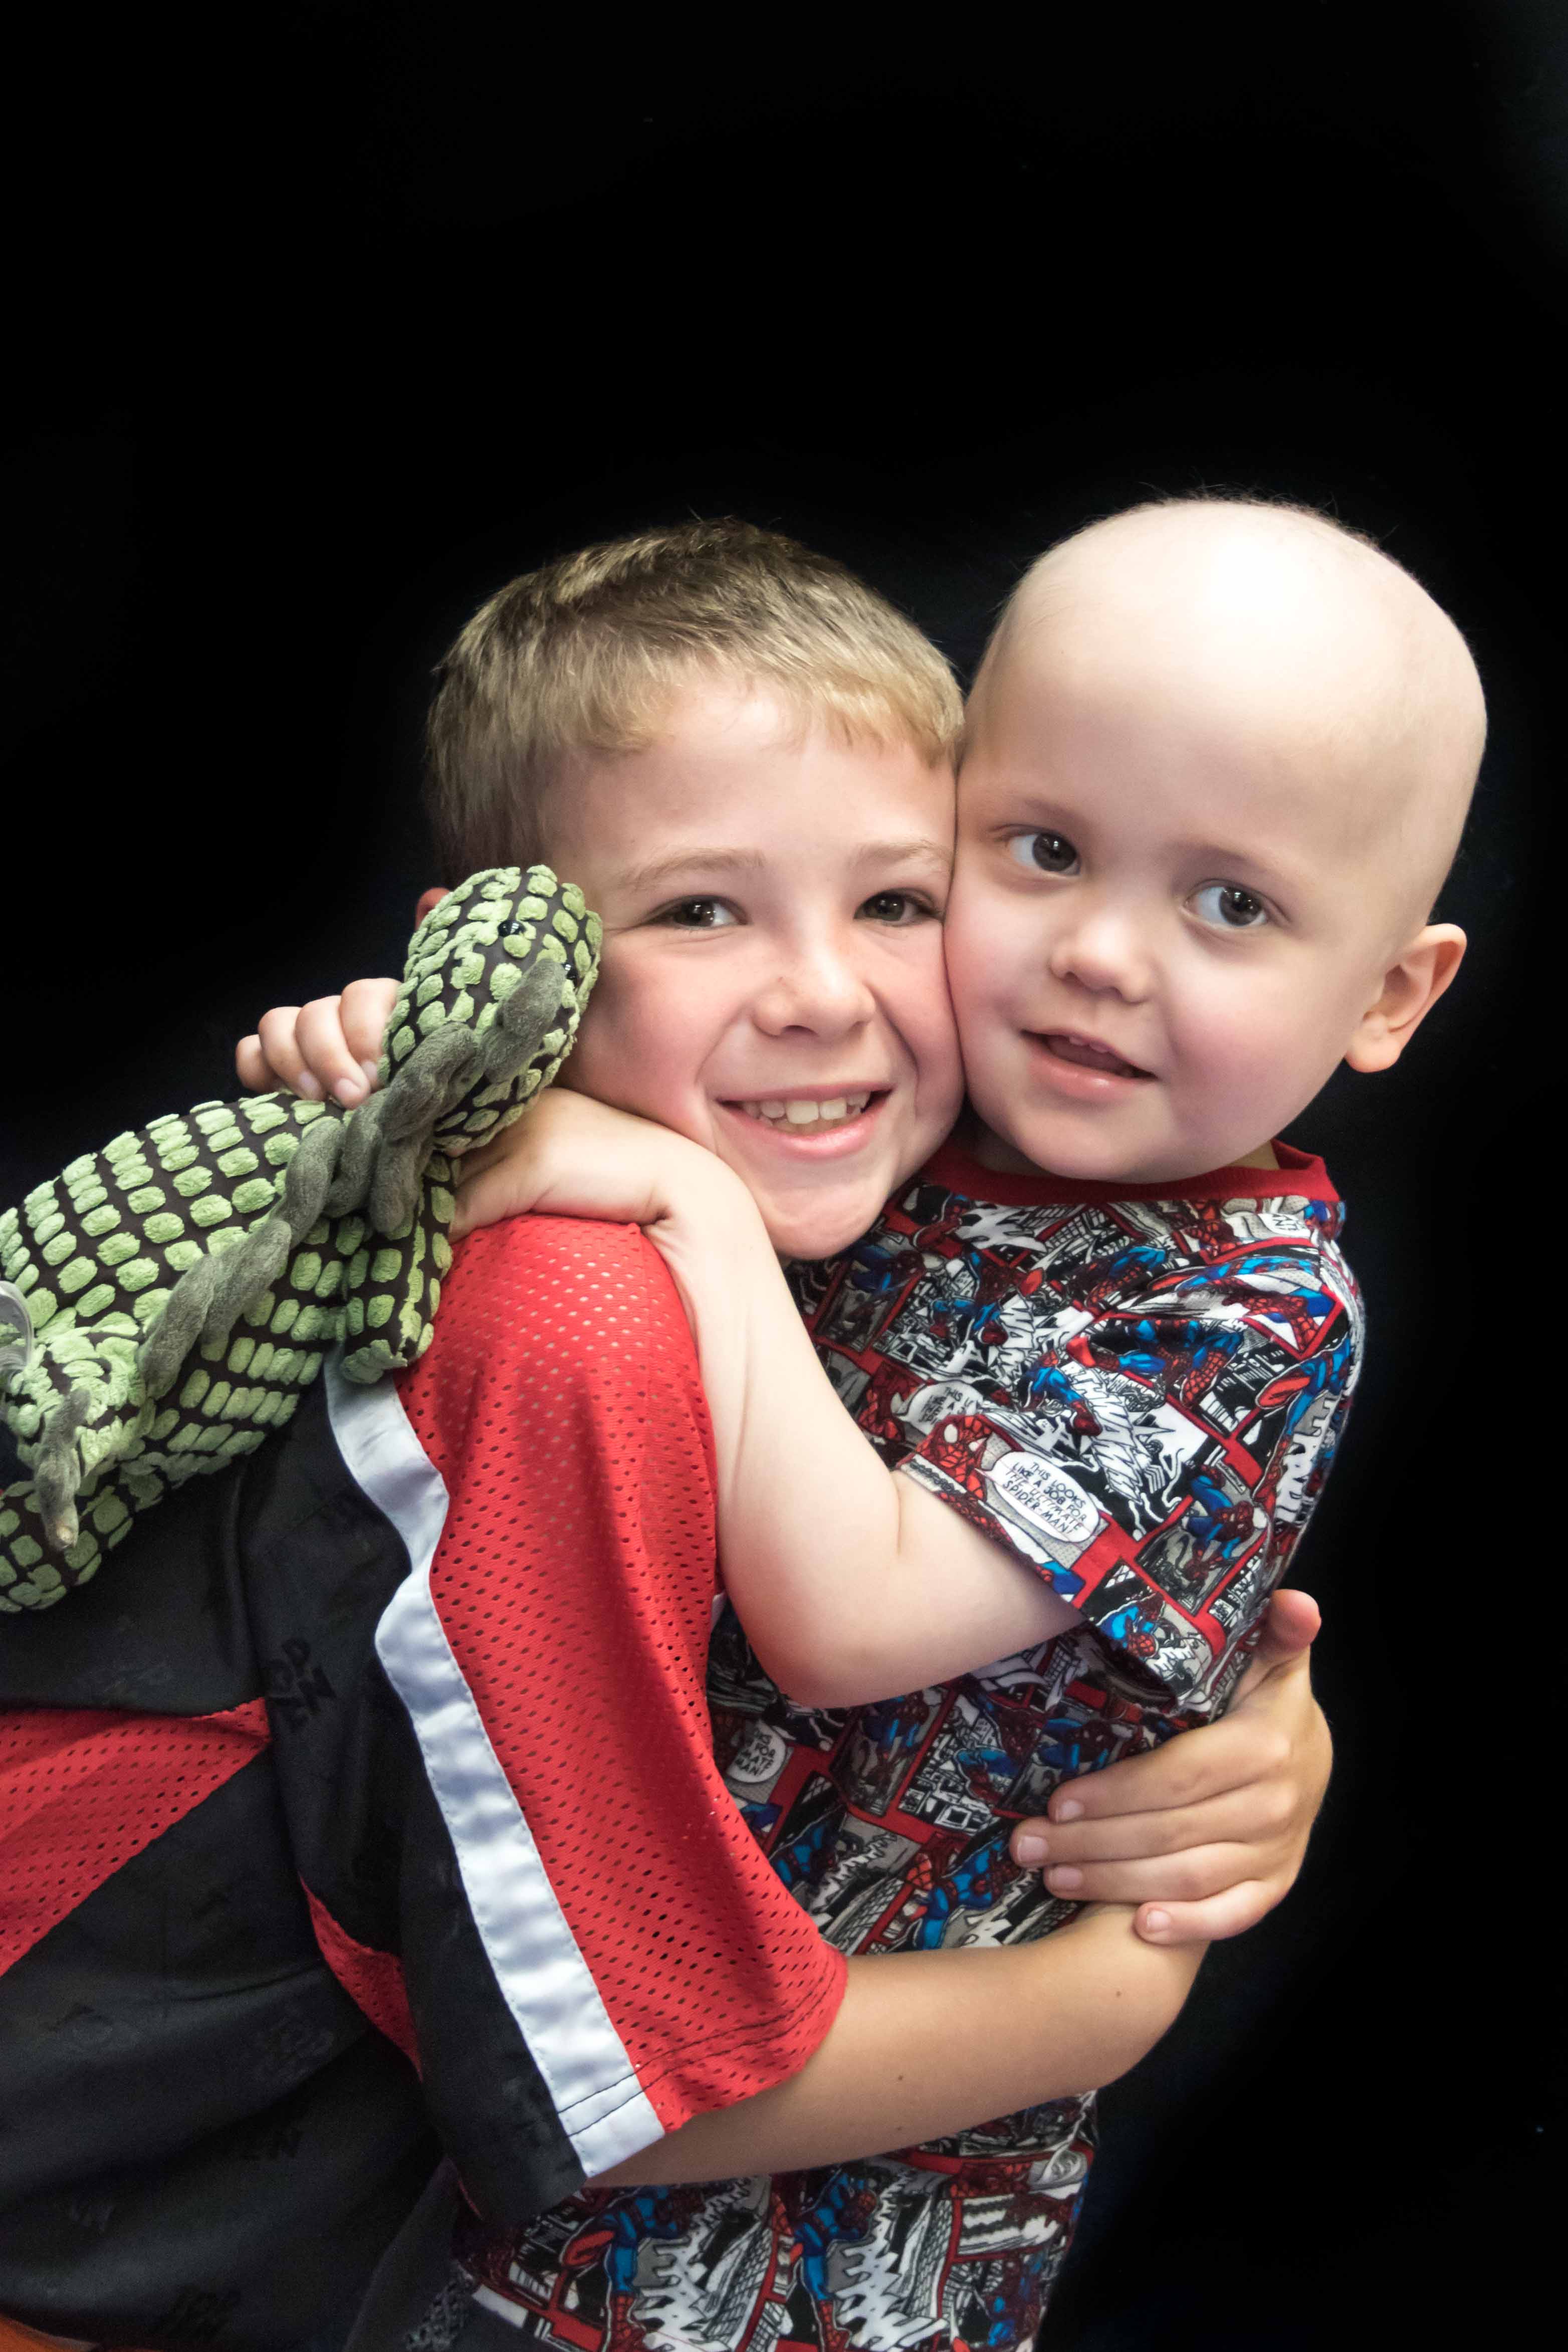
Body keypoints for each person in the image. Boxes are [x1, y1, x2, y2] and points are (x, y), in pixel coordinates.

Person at [233, 513, 1362, 2348]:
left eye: (896, 903)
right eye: (699, 906)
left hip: (841, 2270)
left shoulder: (905, 1188)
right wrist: (1115, 1997)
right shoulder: (625, 1258)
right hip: (494, 2190)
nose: (826, 994)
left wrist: (1251, 1728)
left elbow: (930, 1592)